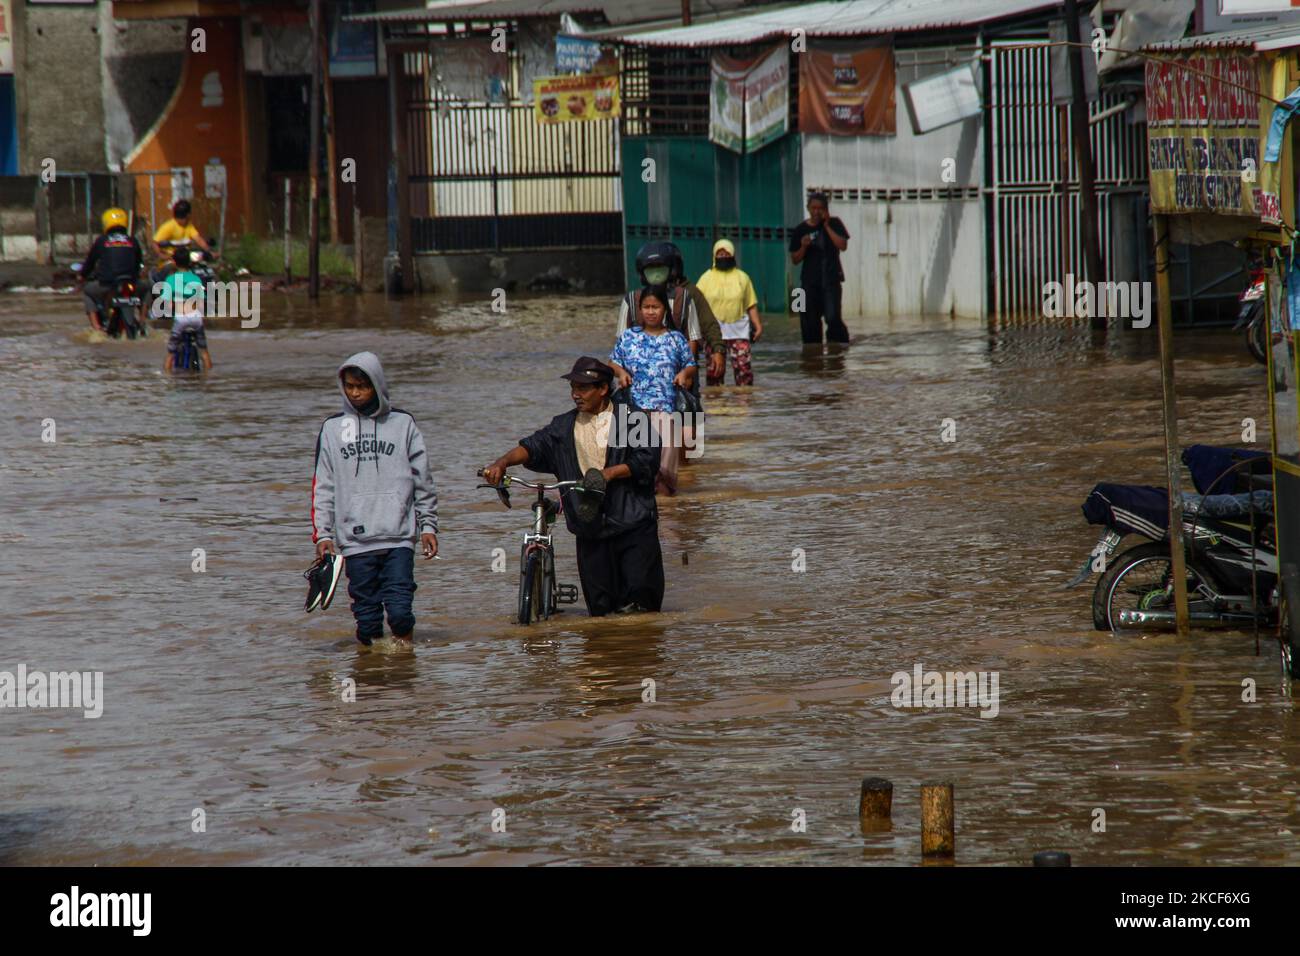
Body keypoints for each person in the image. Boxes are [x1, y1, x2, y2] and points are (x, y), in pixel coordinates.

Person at [481, 357, 664, 617]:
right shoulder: (563, 426)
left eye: (583, 388)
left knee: (641, 607)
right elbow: (532, 447)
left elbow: (648, 459)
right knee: (601, 612)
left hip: (632, 523)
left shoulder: (630, 419)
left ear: (603, 389)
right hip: (589, 529)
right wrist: (502, 462)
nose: (576, 395)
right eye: (573, 388)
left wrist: (607, 474)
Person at [311, 352, 439, 646]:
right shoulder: (332, 430)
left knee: (400, 613)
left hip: (398, 538)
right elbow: (323, 486)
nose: (355, 393)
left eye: (362, 386)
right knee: (367, 622)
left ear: (377, 385)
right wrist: (323, 535)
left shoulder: (403, 424)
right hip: (355, 542)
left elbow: (423, 480)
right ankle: (371, 681)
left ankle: (405, 671)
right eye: (349, 386)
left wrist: (429, 526)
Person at [608, 285, 697, 495]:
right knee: (634, 472)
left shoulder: (676, 339)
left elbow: (691, 364)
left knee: (664, 474)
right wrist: (621, 373)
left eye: (655, 307)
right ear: (640, 310)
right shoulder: (628, 337)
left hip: (665, 411)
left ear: (664, 309)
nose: (650, 311)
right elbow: (612, 362)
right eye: (646, 307)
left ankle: (667, 520)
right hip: (633, 413)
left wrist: (684, 374)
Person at [617, 241, 725, 384]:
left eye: (660, 268)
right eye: (651, 268)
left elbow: (698, 333)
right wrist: (622, 373)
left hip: (679, 378)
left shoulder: (686, 297)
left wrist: (717, 351)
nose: (650, 311)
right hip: (640, 379)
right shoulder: (631, 301)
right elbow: (620, 345)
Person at [695, 238, 763, 386]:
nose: (723, 256)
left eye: (727, 253)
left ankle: (743, 403)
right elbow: (696, 305)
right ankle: (717, 406)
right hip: (713, 332)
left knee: (744, 370)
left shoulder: (742, 278)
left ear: (733, 255)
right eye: (720, 254)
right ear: (714, 256)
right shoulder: (706, 278)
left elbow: (751, 303)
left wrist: (758, 325)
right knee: (714, 372)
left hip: (738, 330)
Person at [789, 192, 851, 344]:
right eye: (813, 208)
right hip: (808, 284)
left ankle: (837, 351)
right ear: (808, 208)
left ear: (826, 209)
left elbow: (842, 245)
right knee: (808, 321)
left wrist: (826, 225)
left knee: (833, 318)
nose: (816, 212)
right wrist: (803, 246)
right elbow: (795, 260)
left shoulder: (835, 223)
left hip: (831, 281)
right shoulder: (800, 229)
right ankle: (812, 359)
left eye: (820, 208)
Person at [78, 207, 143, 333]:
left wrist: (82, 276)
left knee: (87, 292)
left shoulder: (101, 240)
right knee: (147, 290)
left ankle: (97, 328)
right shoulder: (132, 240)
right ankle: (142, 320)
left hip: (107, 284)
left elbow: (90, 262)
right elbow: (138, 263)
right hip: (130, 283)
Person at [160, 245, 212, 372]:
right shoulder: (196, 279)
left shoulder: (171, 279)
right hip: (196, 319)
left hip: (180, 320)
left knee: (170, 354)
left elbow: (166, 303)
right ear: (189, 262)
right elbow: (201, 303)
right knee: (204, 351)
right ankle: (208, 375)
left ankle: (168, 379)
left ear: (174, 262)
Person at [149, 199, 216, 282]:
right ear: (188, 215)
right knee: (169, 271)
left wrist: (209, 251)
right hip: (172, 259)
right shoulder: (168, 227)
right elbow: (155, 242)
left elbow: (198, 239)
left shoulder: (189, 225)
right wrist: (161, 254)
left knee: (203, 269)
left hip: (186, 258)